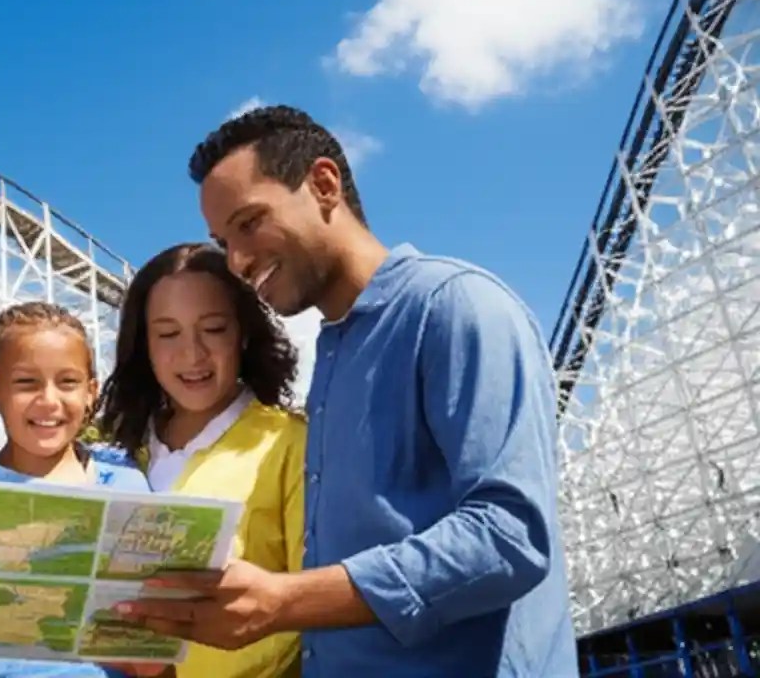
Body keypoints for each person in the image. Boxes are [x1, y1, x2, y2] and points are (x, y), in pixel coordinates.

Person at [115, 105, 577, 677]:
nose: (236, 261)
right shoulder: (331, 366)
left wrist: (284, 601)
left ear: (324, 184)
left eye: (249, 223)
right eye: (222, 239)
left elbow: (511, 535)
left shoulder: (454, 308)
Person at [0, 301, 147, 678]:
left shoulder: (125, 484)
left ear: (90, 392)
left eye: (67, 382)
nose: (49, 400)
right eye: (26, 383)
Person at [95, 242, 305, 678]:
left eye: (212, 329)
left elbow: (314, 604)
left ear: (242, 333)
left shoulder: (289, 443)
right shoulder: (117, 455)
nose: (192, 355)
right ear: (144, 345)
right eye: (168, 334)